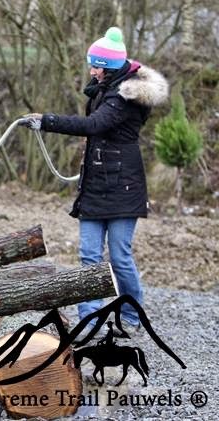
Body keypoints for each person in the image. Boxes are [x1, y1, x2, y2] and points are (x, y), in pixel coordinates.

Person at [21, 27, 169, 331]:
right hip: (95, 183)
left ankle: (131, 315)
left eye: (96, 65)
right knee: (88, 255)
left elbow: (94, 125)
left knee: (119, 256)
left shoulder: (125, 96)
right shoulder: (104, 88)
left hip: (123, 186)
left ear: (110, 67)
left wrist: (46, 121)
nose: (91, 70)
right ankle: (88, 321)